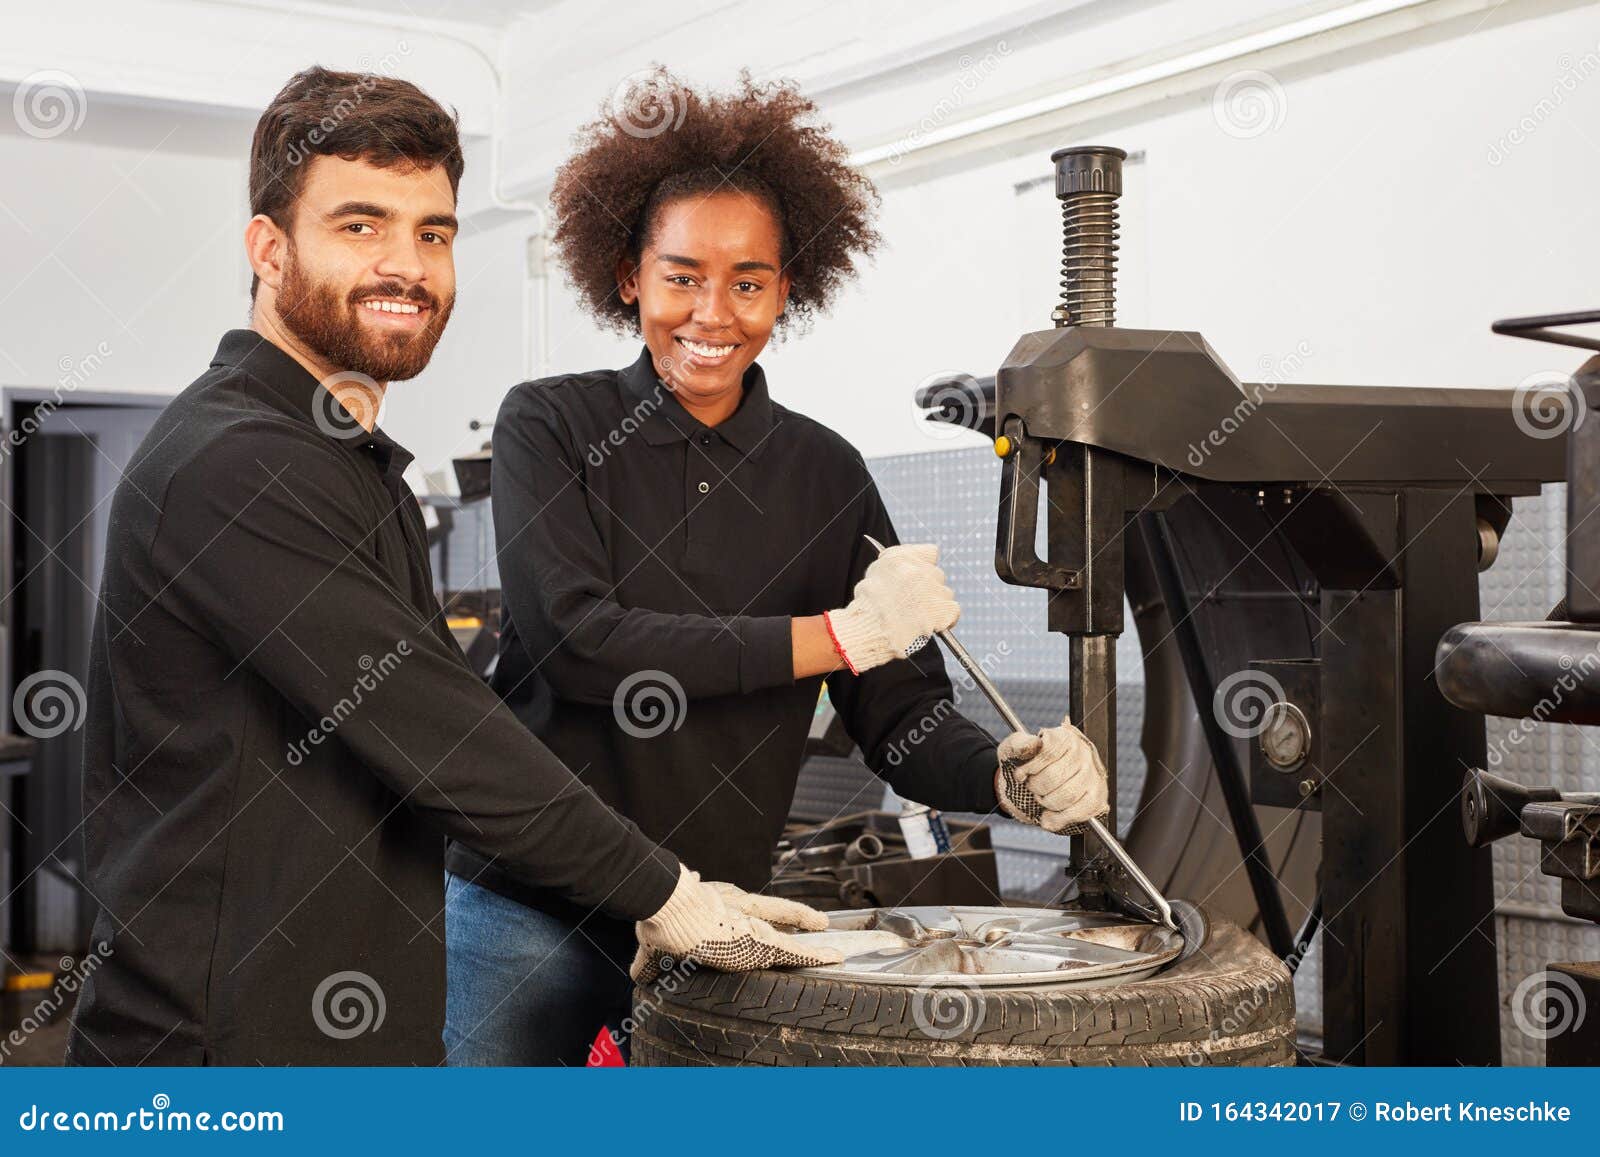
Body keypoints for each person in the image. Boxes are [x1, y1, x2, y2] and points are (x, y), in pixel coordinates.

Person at [66, 66, 839, 1068]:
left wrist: (638, 891)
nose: (406, 265)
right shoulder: (236, 463)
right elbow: (439, 732)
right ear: (268, 247)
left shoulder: (353, 470)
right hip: (217, 1058)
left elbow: (435, 738)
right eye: (359, 226)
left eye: (432, 232)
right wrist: (664, 892)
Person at [442, 70, 1110, 1066]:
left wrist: (1002, 776)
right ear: (628, 275)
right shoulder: (552, 421)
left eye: (747, 280)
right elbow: (580, 642)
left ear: (787, 288)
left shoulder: (824, 473)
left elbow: (900, 716)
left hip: (712, 918)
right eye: (680, 275)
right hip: (523, 907)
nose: (711, 311)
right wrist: (839, 634)